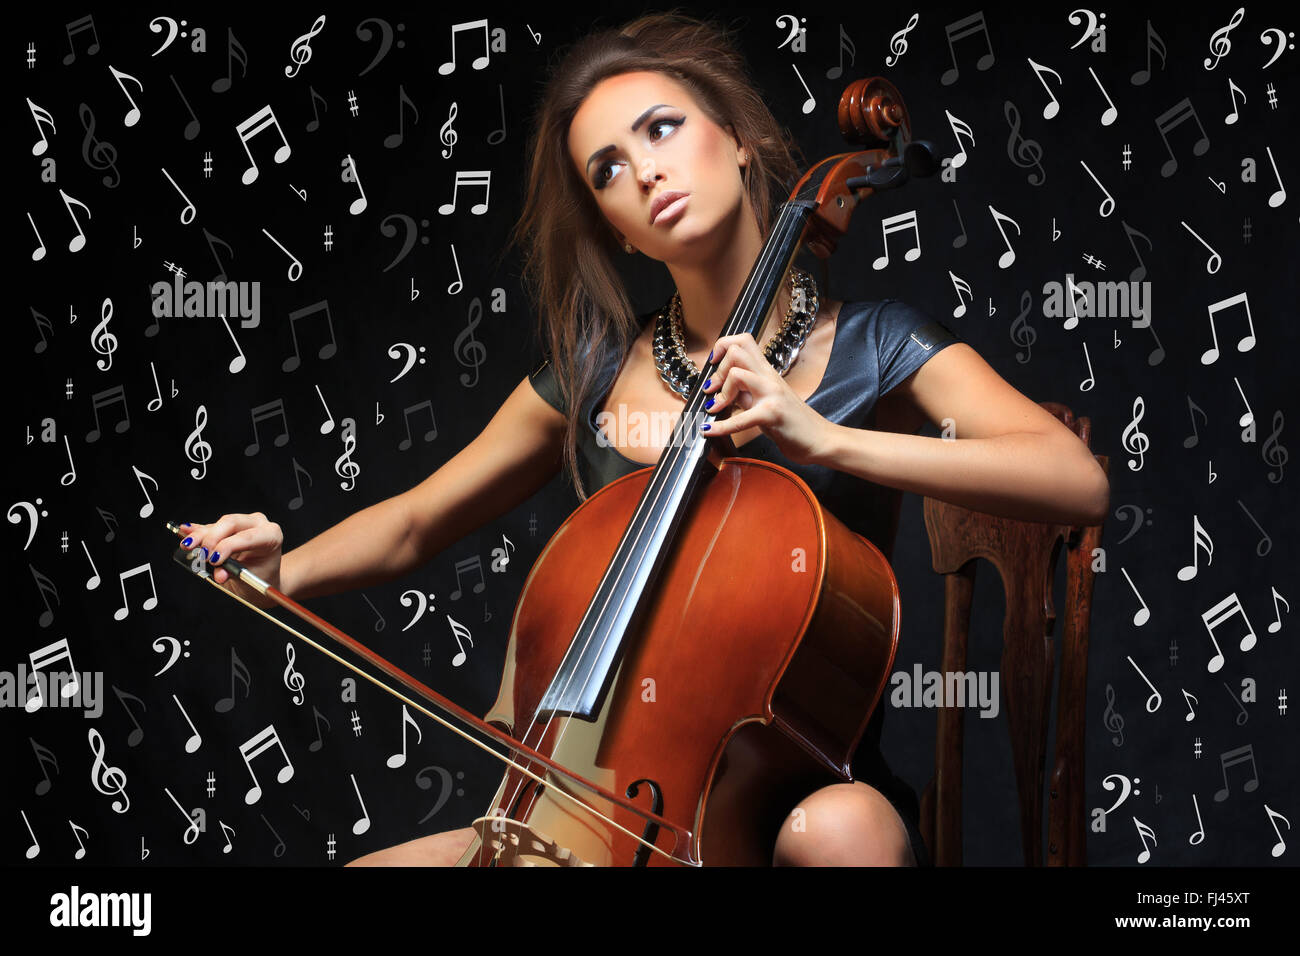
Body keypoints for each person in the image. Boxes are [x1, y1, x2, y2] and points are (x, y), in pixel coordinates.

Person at [182, 13, 1109, 866]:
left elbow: (1074, 480)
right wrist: (281, 571)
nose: (646, 172)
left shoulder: (875, 347)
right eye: (609, 170)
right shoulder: (589, 380)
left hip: (779, 805)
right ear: (616, 231)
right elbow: (420, 520)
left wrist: (824, 437)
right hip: (587, 802)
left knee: (846, 829)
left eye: (661, 129)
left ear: (740, 141)